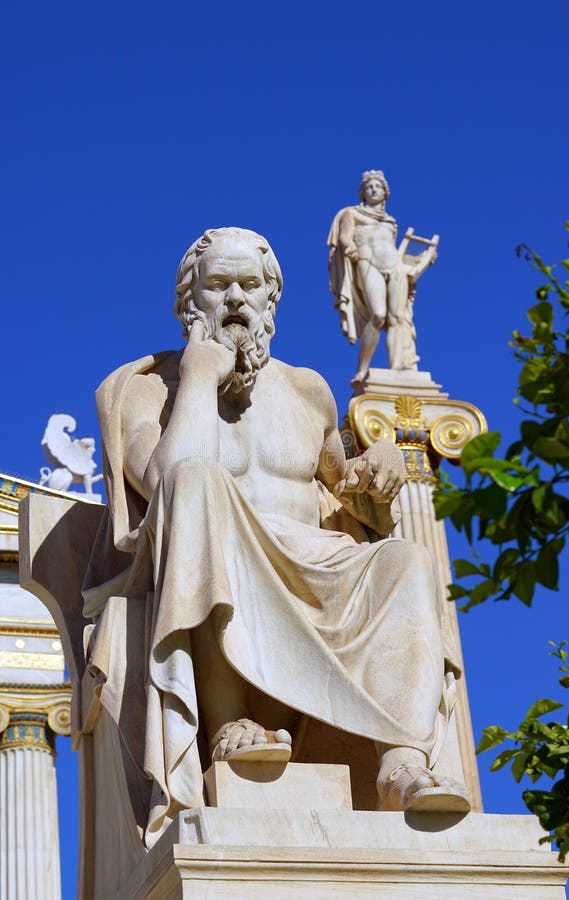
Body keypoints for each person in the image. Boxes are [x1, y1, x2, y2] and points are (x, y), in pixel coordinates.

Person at [84, 227, 468, 846]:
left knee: (404, 560)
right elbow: (164, 484)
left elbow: (346, 495)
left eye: (250, 285)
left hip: (311, 563)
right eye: (219, 284)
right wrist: (202, 379)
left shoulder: (307, 390)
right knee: (199, 484)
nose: (236, 298)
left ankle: (401, 760)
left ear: (271, 301)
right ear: (191, 303)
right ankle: (226, 721)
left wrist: (380, 471)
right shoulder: (145, 388)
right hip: (215, 556)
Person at [328, 170, 435, 383]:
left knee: (398, 318)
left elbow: (395, 250)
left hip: (395, 267)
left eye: (377, 186)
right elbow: (344, 238)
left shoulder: (390, 222)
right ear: (362, 193)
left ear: (385, 192)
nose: (373, 189)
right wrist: (349, 247)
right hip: (369, 264)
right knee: (378, 315)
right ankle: (362, 370)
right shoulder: (351, 213)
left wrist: (422, 258)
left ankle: (398, 369)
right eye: (369, 187)